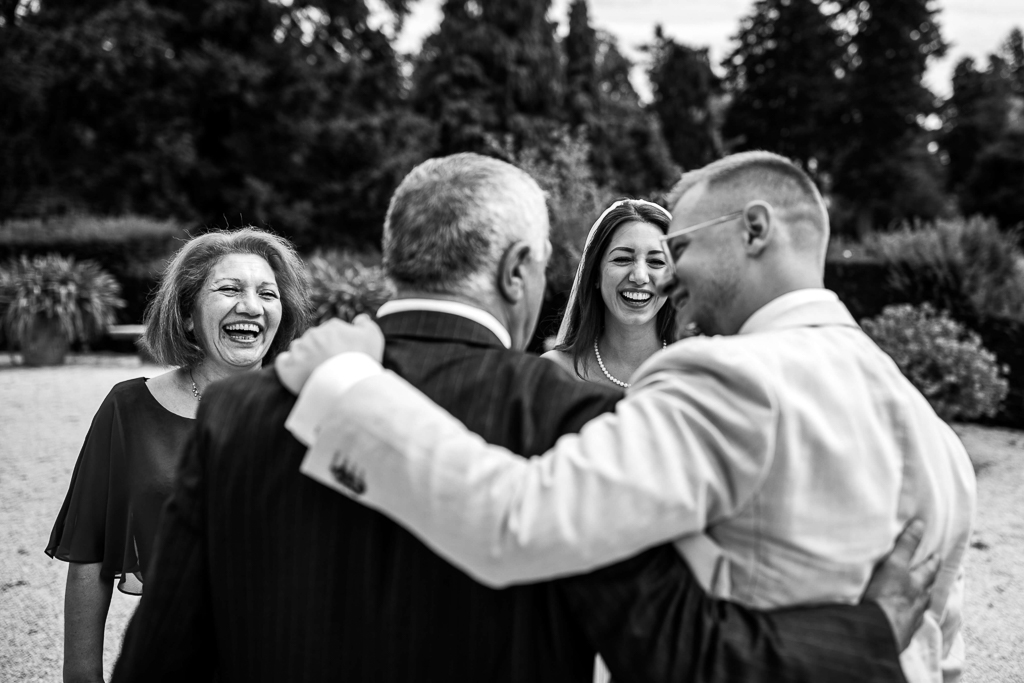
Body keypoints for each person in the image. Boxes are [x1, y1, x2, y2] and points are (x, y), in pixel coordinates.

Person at [112, 153, 932, 683]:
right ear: (518, 271)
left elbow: (159, 657)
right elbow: (675, 653)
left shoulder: (239, 410)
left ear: (398, 257)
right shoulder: (574, 414)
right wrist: (867, 634)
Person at [45, 227, 310, 683]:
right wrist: (82, 675)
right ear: (188, 315)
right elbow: (90, 551)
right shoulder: (129, 409)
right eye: (230, 289)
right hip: (175, 660)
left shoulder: (313, 408)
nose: (251, 306)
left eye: (267, 293)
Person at [543, 199, 675, 389]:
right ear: (596, 274)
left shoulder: (695, 373)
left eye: (656, 262)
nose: (639, 276)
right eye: (622, 259)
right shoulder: (554, 372)